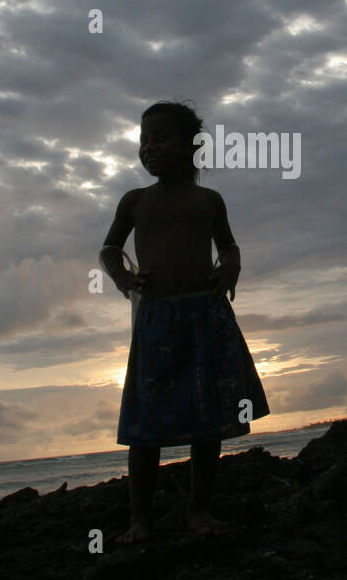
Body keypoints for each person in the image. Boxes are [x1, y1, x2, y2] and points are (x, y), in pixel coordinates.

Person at [99, 101, 270, 543]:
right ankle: (140, 517)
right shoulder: (135, 202)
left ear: (193, 145)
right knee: (145, 424)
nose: (150, 148)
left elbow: (228, 246)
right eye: (143, 140)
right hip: (156, 319)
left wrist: (230, 267)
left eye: (162, 137)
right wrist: (123, 277)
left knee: (207, 419)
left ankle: (199, 509)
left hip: (205, 315)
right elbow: (108, 249)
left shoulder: (209, 200)